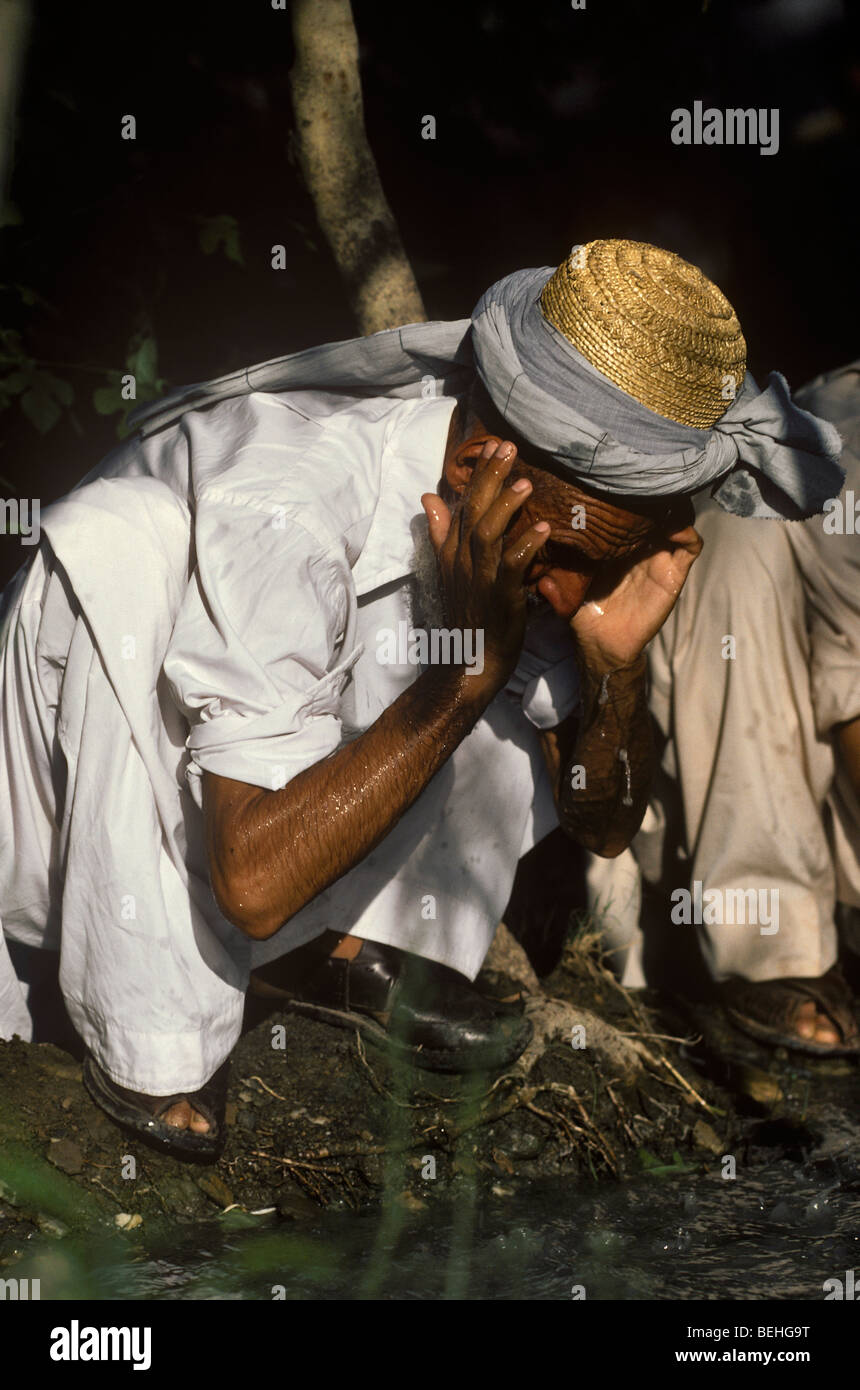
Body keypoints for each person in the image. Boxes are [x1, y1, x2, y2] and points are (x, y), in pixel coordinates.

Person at [0, 240, 842, 1155]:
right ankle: (152, 1028)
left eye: (600, 560)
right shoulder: (282, 507)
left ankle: (323, 950)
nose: (571, 590)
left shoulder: (545, 520)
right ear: (478, 459)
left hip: (275, 803)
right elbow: (250, 886)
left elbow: (603, 825)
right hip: (92, 769)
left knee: (494, 641)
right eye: (567, 556)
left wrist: (614, 663)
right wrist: (467, 675)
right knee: (135, 561)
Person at [592, 359, 860, 1055]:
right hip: (728, 733)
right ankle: (774, 943)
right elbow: (854, 699)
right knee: (736, 546)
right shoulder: (846, 461)